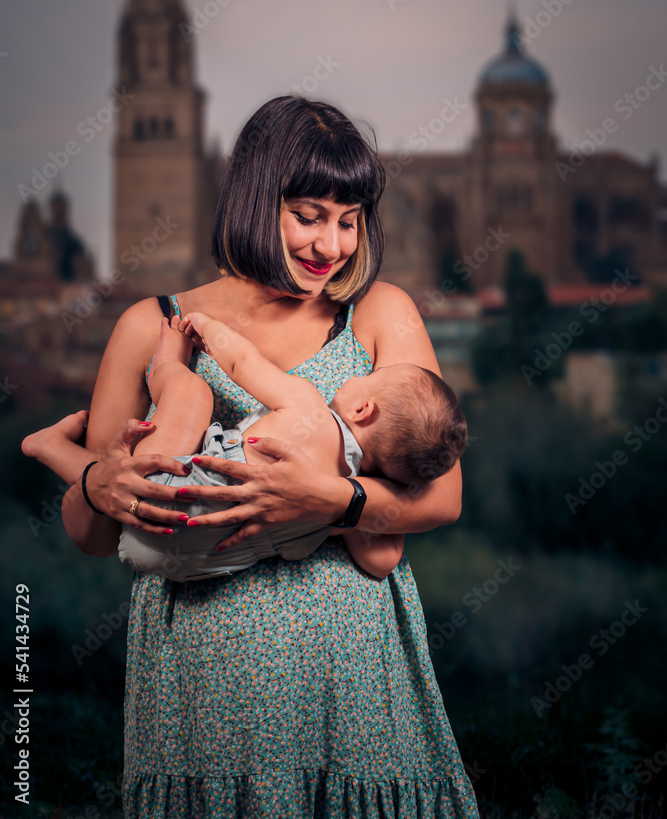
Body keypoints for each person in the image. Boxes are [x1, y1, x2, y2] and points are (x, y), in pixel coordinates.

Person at [23, 95, 480, 818]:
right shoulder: (152, 325)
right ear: (252, 197)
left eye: (348, 221)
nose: (330, 245)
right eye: (308, 214)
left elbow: (444, 497)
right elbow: (90, 535)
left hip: (356, 686)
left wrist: (329, 500)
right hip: (203, 687)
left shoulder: (381, 312)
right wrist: (93, 477)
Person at [114, 309, 468, 582]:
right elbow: (383, 562)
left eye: (369, 377)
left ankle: (165, 367)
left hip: (156, 497)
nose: (358, 376)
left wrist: (206, 327)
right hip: (179, 562)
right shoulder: (335, 509)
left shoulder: (308, 406)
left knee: (191, 393)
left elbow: (242, 362)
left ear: (363, 409)